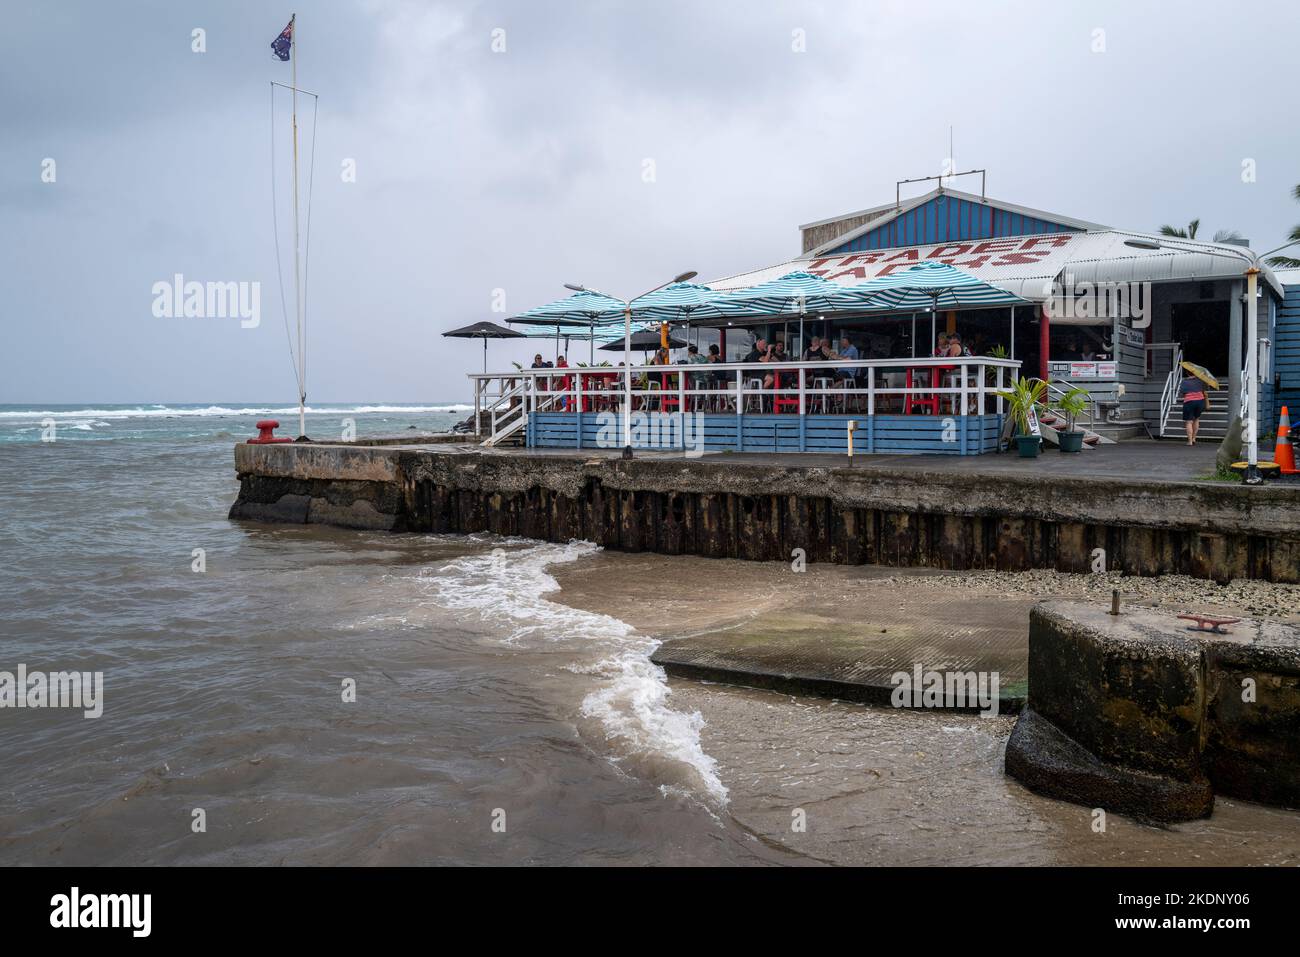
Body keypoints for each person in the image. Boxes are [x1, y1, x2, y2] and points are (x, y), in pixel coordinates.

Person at [1179, 373, 1209, 445]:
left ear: (1187, 373)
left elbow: (1183, 392)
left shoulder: (1184, 381)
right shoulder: (1201, 380)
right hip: (1200, 401)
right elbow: (1205, 390)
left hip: (1189, 402)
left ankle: (1190, 441)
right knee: (1196, 419)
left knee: (1189, 422)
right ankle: (1194, 438)